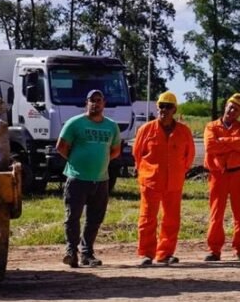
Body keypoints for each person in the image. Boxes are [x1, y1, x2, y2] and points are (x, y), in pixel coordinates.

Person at [55, 89, 122, 268]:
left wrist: (100, 161)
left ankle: (87, 253)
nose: (96, 103)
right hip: (77, 178)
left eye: (99, 100)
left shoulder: (111, 126)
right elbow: (61, 147)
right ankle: (71, 252)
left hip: (101, 180)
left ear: (104, 103)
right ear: (86, 103)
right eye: (92, 100)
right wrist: (77, 161)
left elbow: (115, 151)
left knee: (94, 219)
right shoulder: (75, 123)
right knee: (73, 217)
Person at [132, 91, 196, 267]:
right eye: (161, 106)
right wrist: (144, 172)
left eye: (168, 106)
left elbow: (189, 155)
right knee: (147, 218)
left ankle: (165, 253)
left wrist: (179, 172)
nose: (164, 110)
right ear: (157, 107)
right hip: (150, 181)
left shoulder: (183, 131)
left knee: (171, 219)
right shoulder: (146, 129)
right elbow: (137, 153)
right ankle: (146, 253)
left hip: (174, 182)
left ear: (174, 109)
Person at [203, 93, 240, 261]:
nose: (232, 110)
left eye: (237, 109)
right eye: (231, 106)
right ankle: (214, 250)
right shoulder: (211, 127)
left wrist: (222, 141)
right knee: (216, 213)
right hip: (218, 175)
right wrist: (232, 142)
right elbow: (210, 146)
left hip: (239, 174)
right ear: (225, 106)